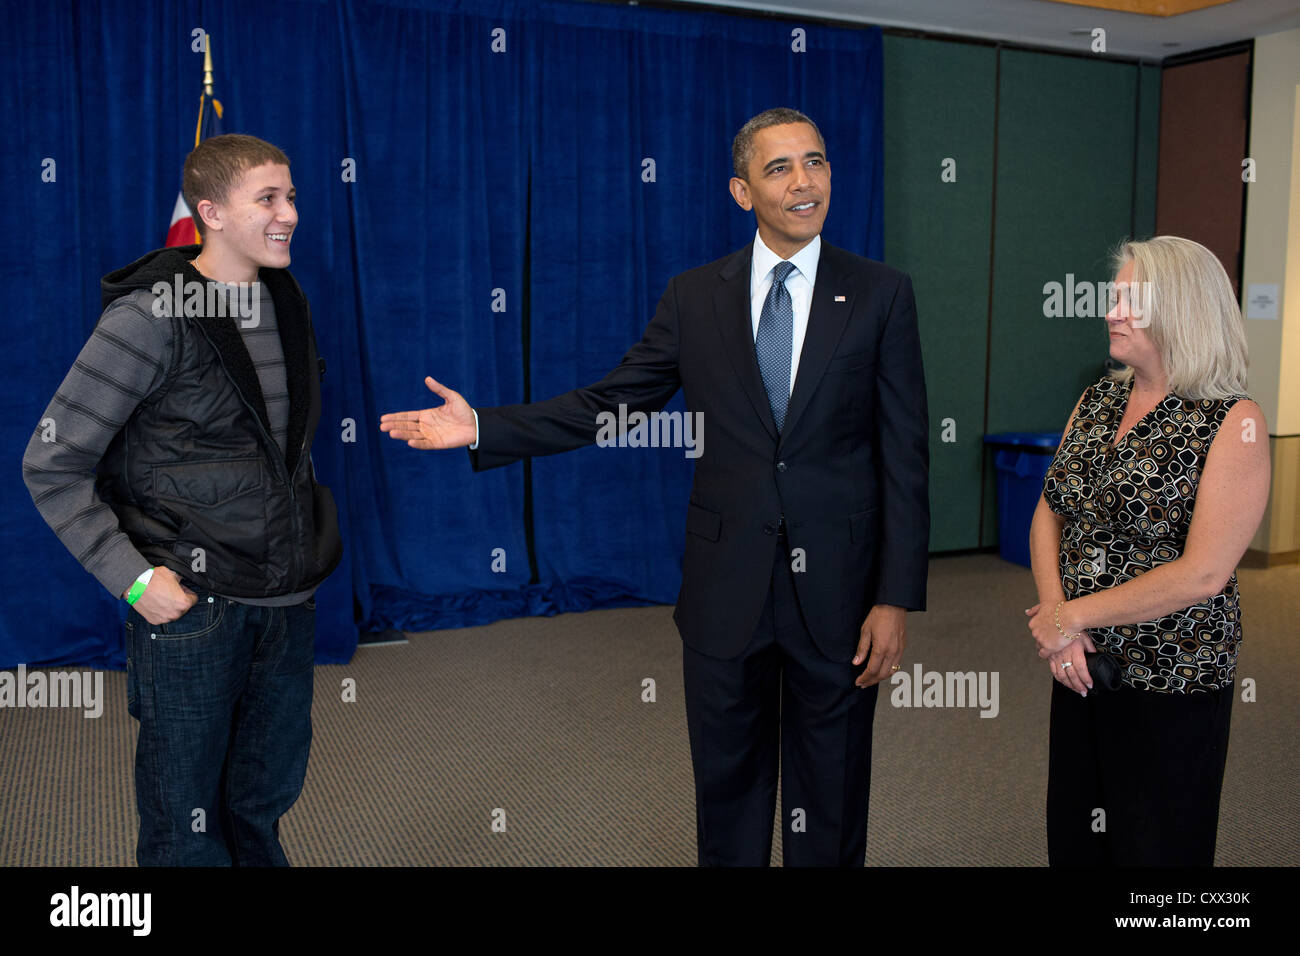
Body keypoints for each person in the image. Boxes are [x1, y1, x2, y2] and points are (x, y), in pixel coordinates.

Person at [380, 108, 929, 866]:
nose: (804, 182)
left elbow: (905, 456)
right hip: (723, 593)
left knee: (831, 797)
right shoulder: (695, 297)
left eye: (816, 161)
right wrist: (482, 427)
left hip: (839, 592)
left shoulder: (880, 294)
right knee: (728, 794)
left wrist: (895, 597)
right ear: (742, 192)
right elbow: (610, 408)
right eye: (779, 168)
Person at [22, 133, 342, 866]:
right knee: (186, 825)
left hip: (285, 605)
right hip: (193, 612)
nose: (288, 213)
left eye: (291, 196)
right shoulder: (147, 319)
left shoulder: (286, 301)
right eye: (268, 197)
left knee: (261, 803)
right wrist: (134, 580)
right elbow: (52, 461)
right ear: (211, 212)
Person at [1026, 235, 1269, 866]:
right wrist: (1060, 621)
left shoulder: (1230, 422)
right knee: (1078, 839)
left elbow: (1203, 573)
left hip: (1172, 678)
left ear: (1182, 311)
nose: (1111, 311)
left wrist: (1072, 617)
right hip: (1081, 665)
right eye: (1114, 298)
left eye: (1131, 301)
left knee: (1156, 851)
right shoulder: (1099, 397)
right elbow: (1050, 512)